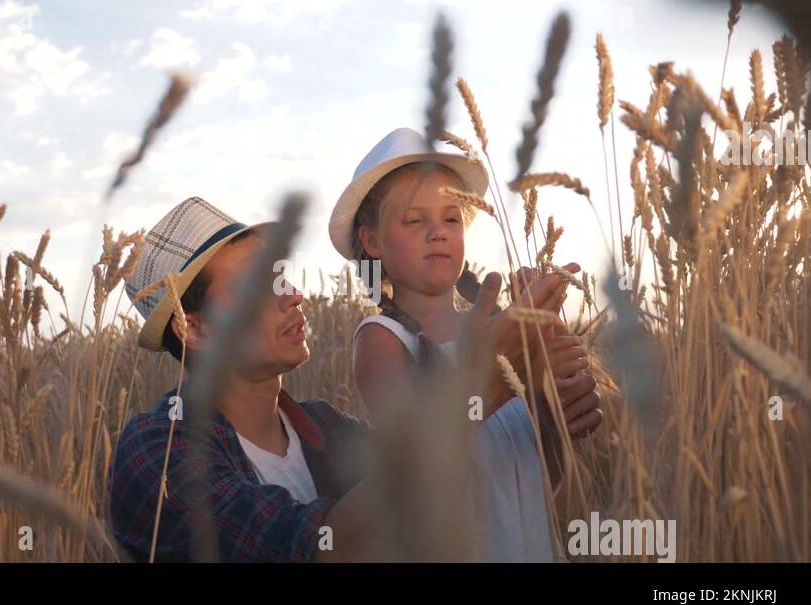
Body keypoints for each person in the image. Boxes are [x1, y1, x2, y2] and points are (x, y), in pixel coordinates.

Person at [108, 195, 592, 562]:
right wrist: (475, 392)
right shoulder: (157, 455)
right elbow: (326, 549)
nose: (293, 295)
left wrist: (543, 416)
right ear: (193, 328)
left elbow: (452, 509)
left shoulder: (328, 428)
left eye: (283, 276)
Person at [328, 127, 603, 561]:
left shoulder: (504, 333)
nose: (437, 232)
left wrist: (553, 407)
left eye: (451, 218)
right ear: (372, 241)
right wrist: (494, 370)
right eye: (415, 220)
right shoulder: (383, 339)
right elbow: (419, 463)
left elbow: (540, 479)